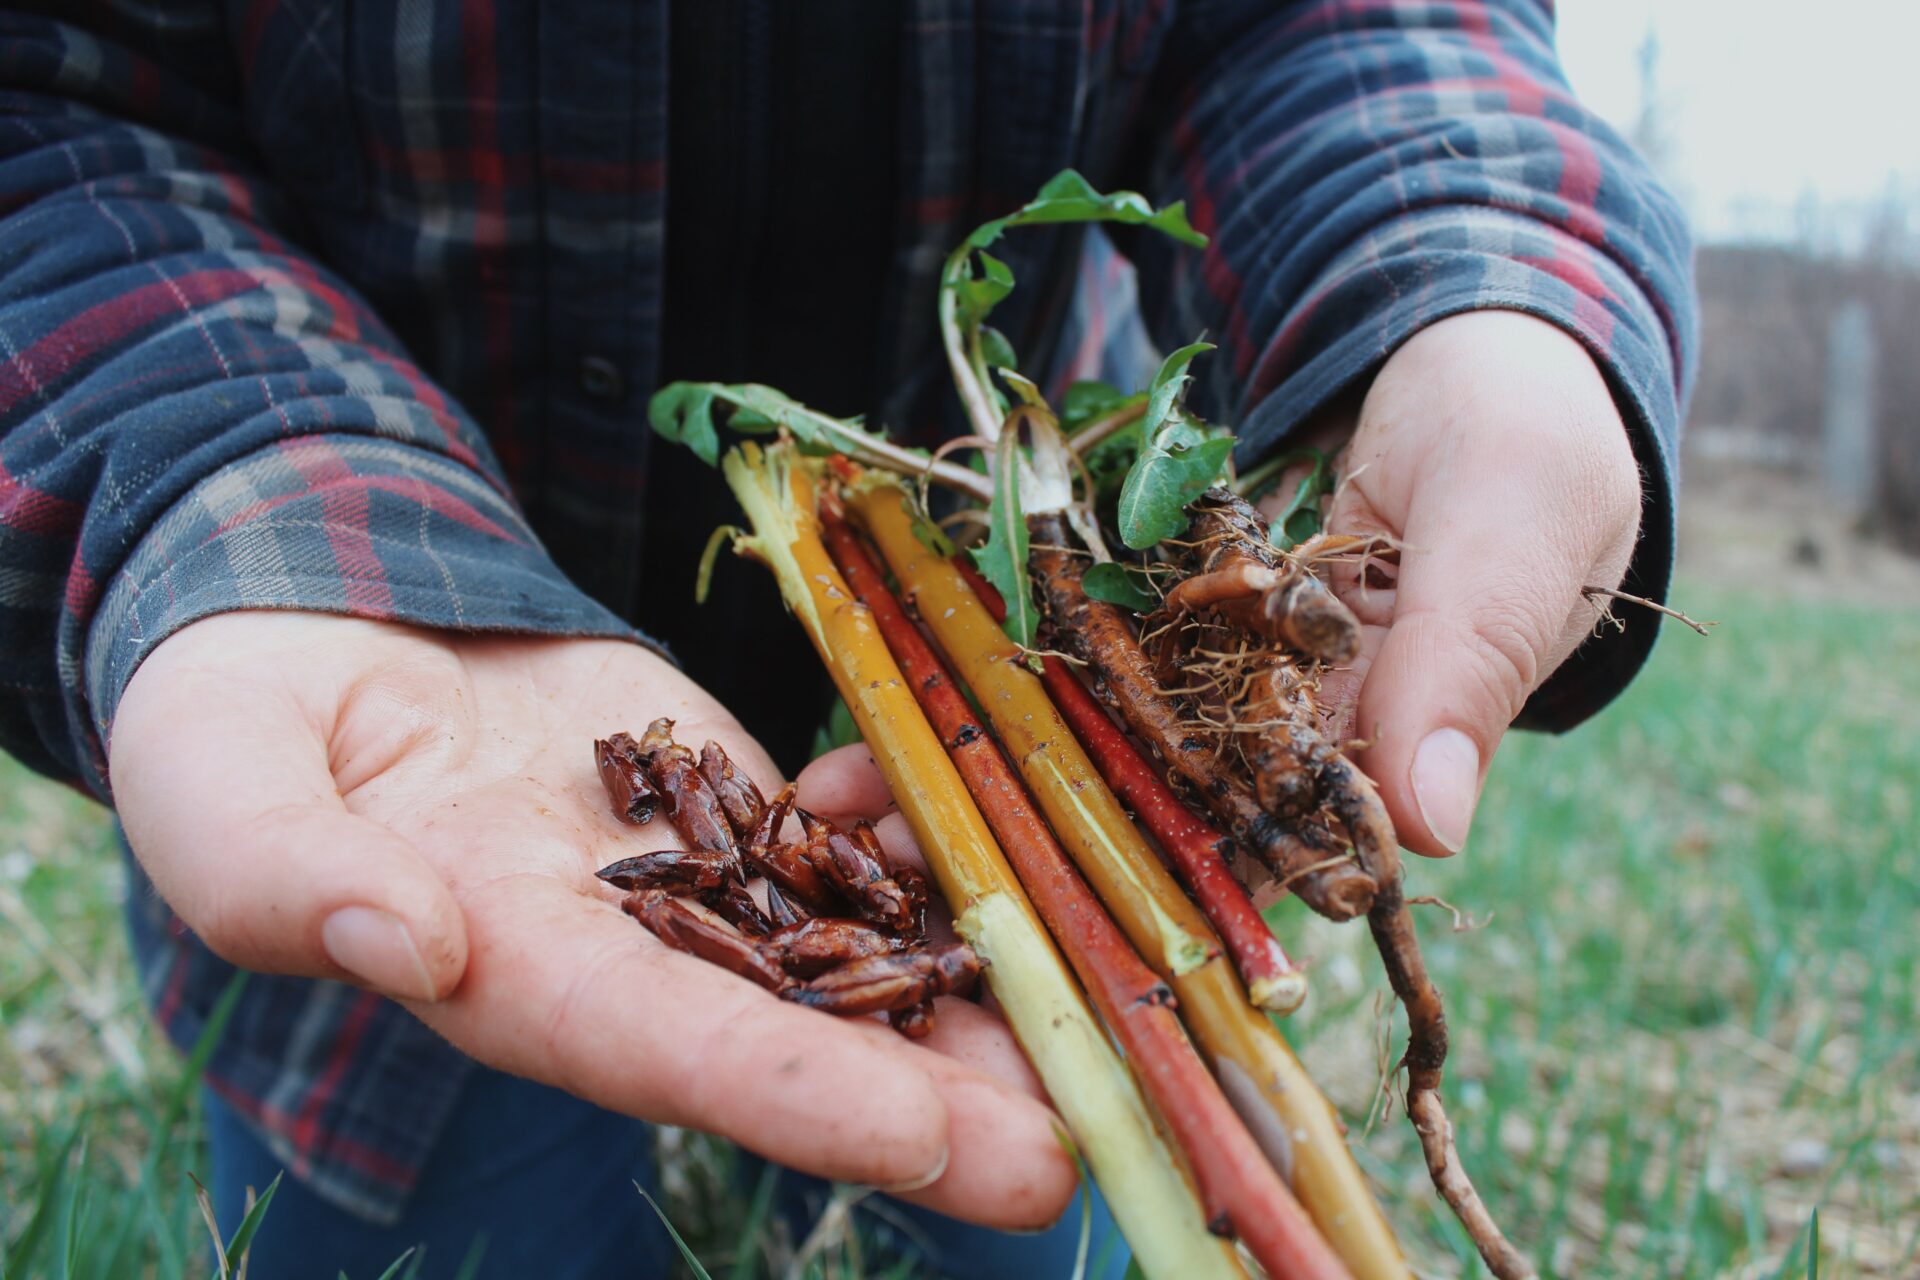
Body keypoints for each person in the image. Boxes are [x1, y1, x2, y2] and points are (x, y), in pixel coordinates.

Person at [0, 2, 1694, 1275]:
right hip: (393, 693)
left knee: (1016, 1184)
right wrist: (230, 489)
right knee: (430, 1210)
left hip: (1021, 779)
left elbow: (1343, 26)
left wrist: (1483, 288)